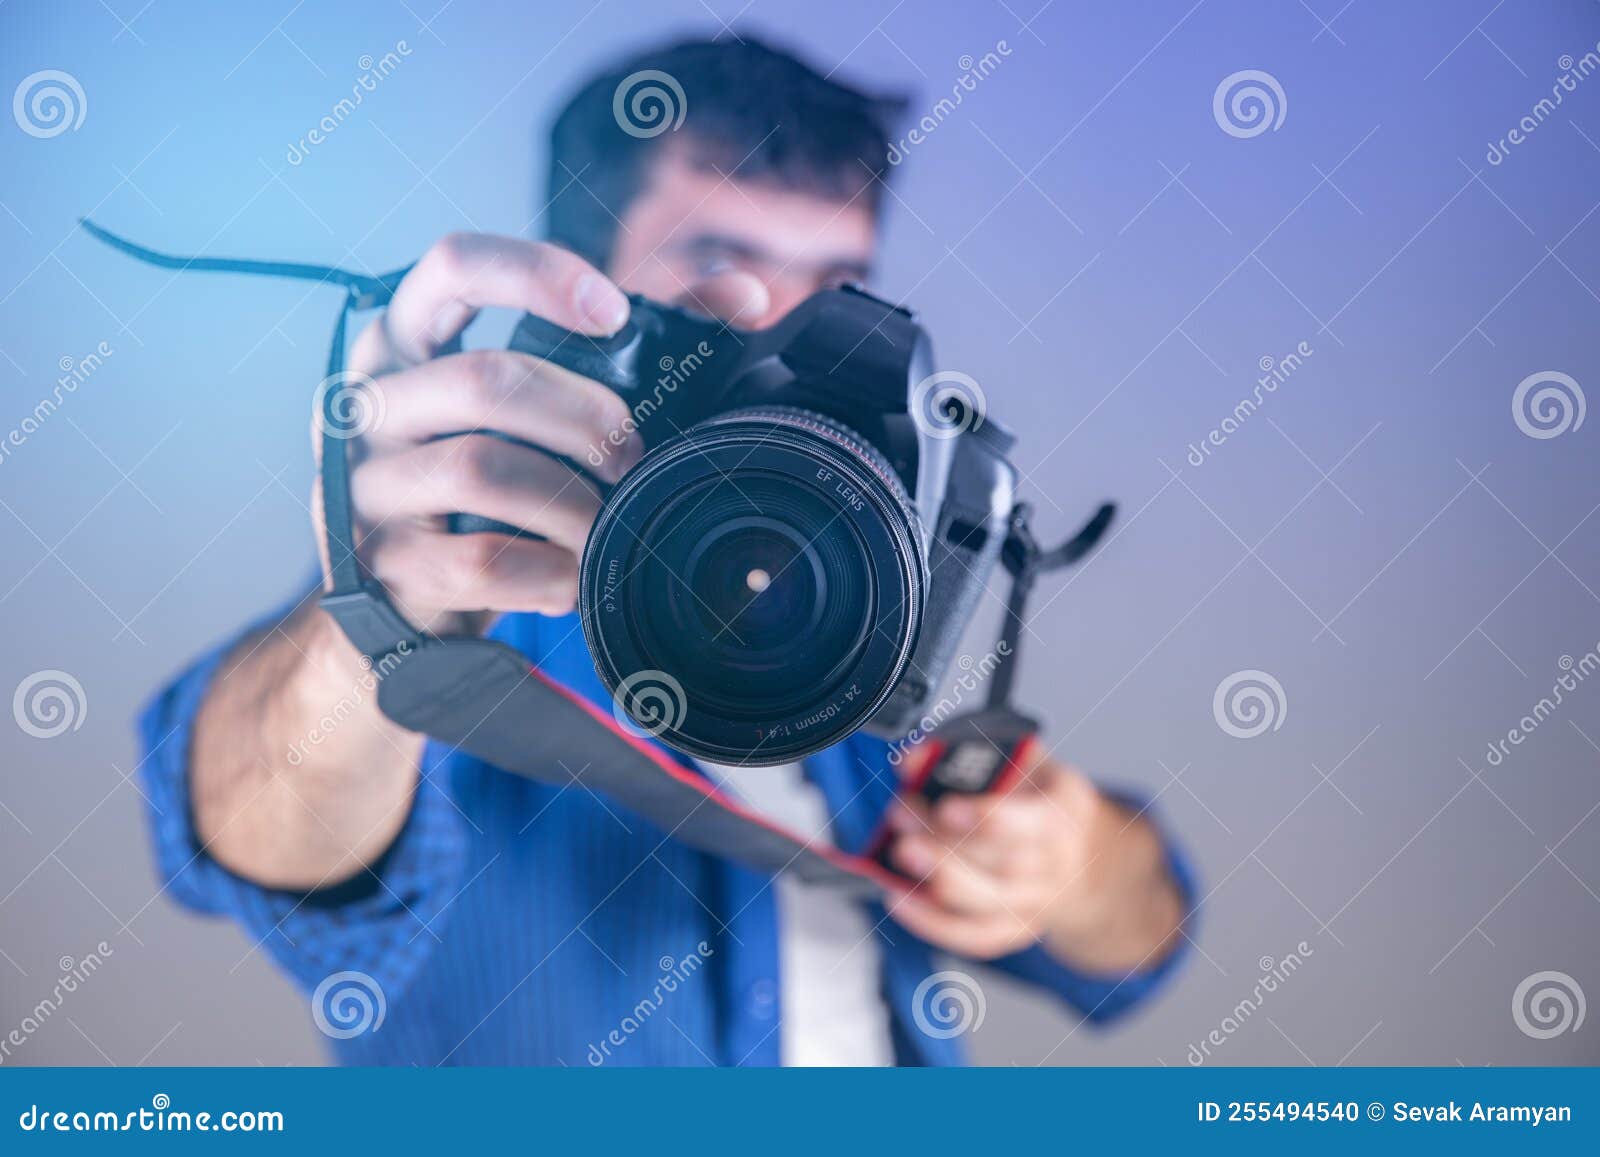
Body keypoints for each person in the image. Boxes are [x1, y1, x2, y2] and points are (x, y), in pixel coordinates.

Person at [138, 34, 1194, 1066]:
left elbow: (1138, 946)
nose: (787, 337)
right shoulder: (449, 586)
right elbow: (254, 837)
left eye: (837, 288)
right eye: (716, 282)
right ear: (581, 302)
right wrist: (371, 643)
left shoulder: (863, 622)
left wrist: (1074, 858)